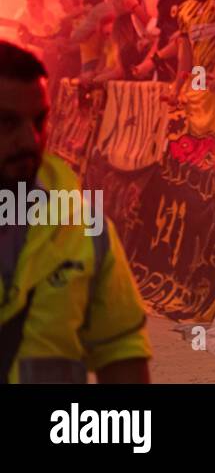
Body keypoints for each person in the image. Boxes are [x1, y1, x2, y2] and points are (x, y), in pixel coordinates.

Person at [0, 41, 151, 383]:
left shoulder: (86, 229)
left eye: (39, 121)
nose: (29, 139)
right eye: (7, 123)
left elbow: (121, 351)